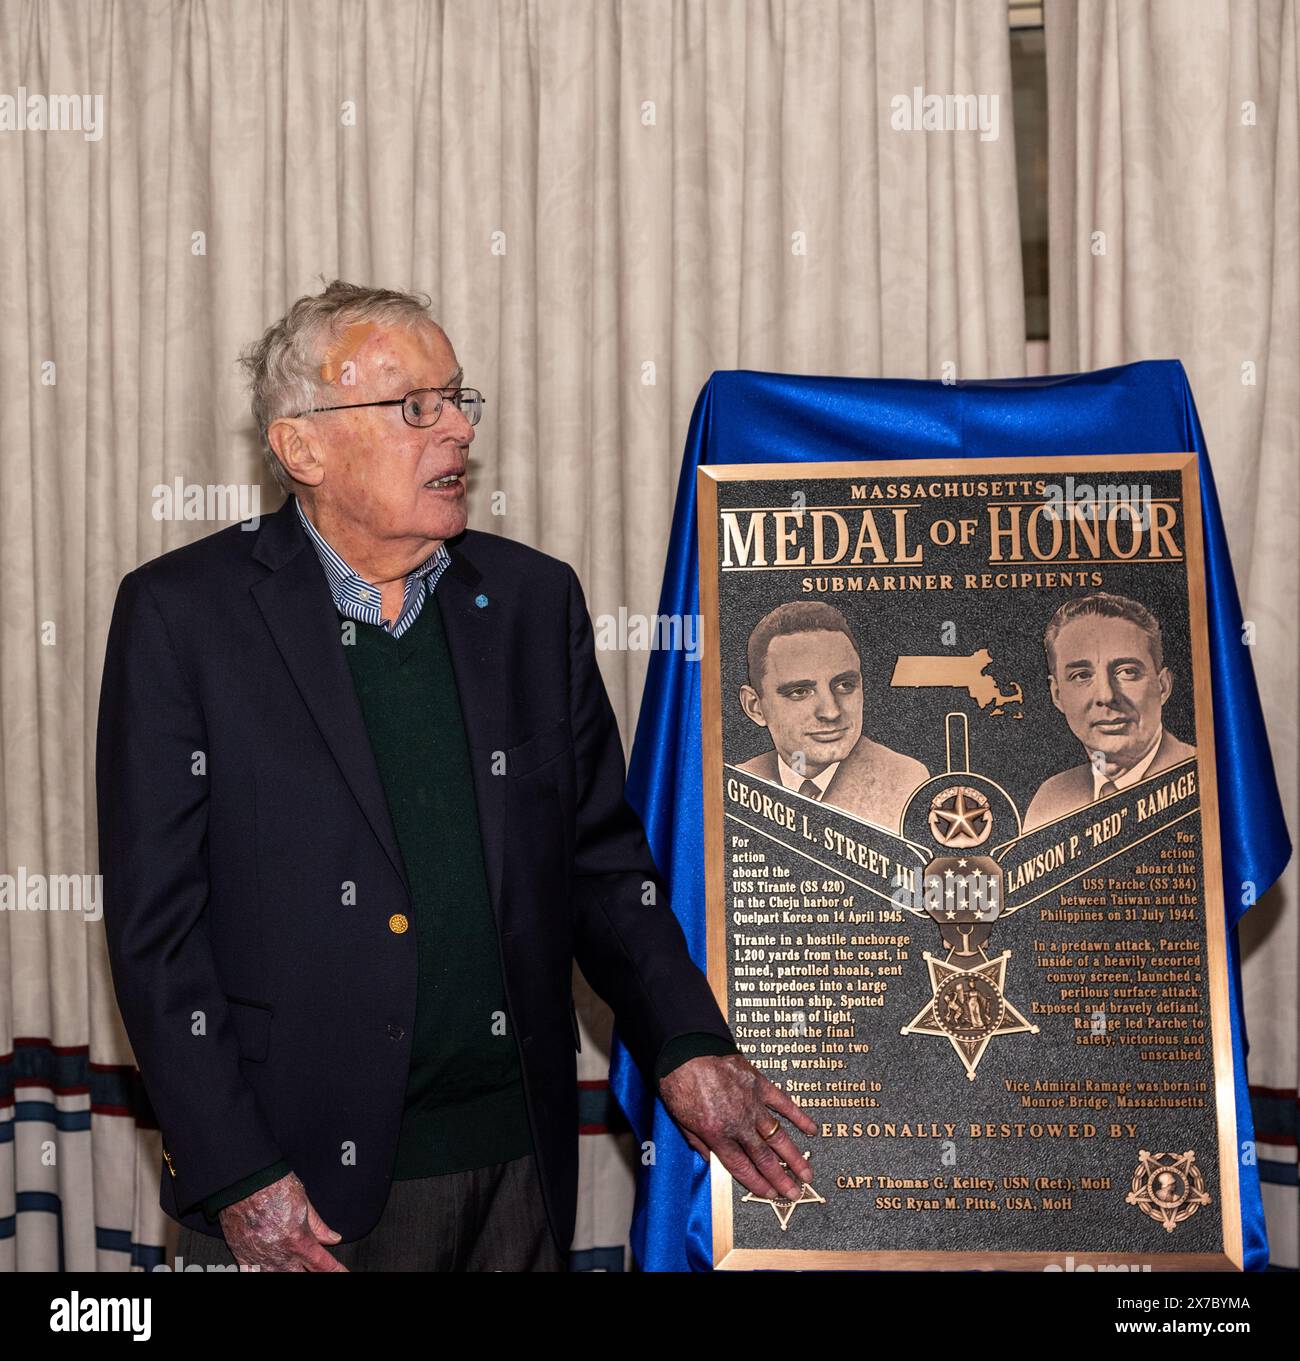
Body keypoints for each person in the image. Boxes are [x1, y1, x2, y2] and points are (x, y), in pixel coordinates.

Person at [96, 280, 816, 1272]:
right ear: (302, 446)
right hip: (303, 1187)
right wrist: (233, 1172)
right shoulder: (183, 618)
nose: (455, 432)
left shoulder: (528, 601)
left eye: (456, 399)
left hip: (515, 1161)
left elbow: (601, 867)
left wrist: (686, 1043)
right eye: (412, 407)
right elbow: (155, 931)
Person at [735, 601, 928, 833]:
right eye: (800, 692)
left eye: (845, 685)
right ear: (755, 707)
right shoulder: (738, 783)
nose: (831, 712)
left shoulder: (905, 783)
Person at [1022, 592, 1196, 833]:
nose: (1106, 696)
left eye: (1127, 672)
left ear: (1163, 686)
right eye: (1081, 675)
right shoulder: (1050, 801)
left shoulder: (1209, 781)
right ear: (1058, 695)